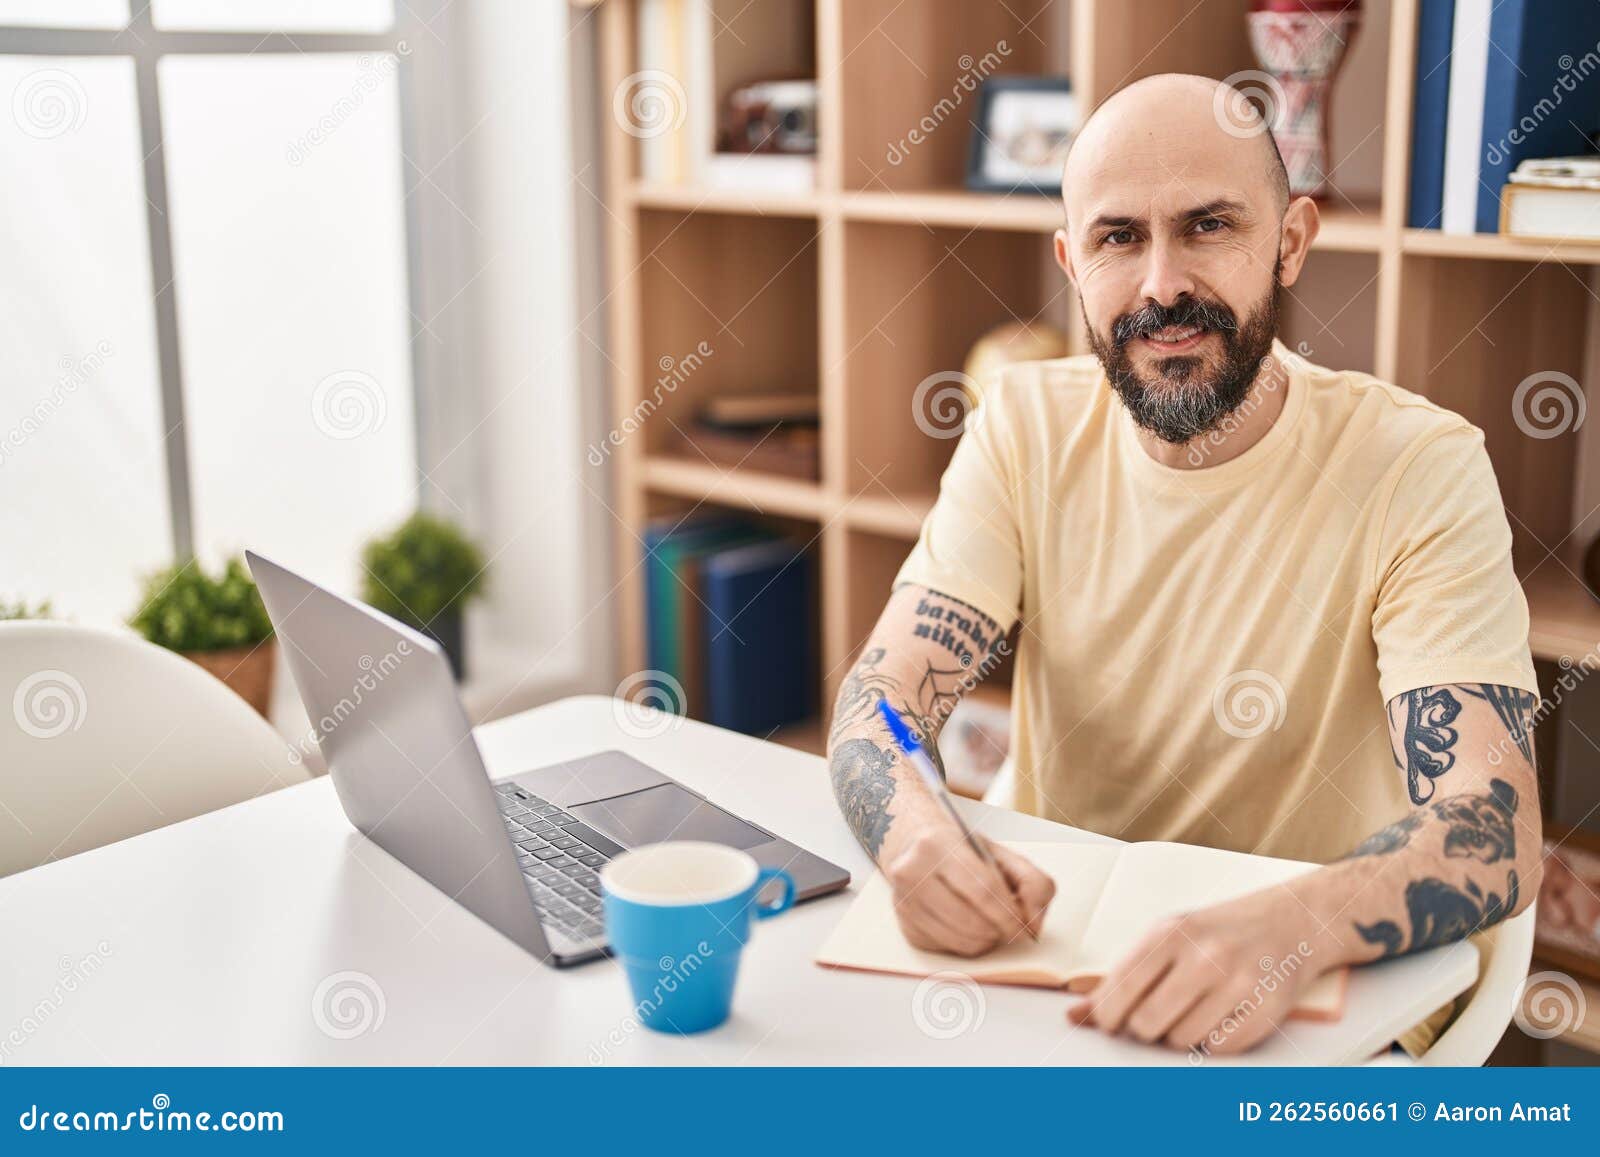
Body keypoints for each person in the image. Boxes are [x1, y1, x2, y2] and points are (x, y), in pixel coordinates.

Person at [826, 73, 1542, 1057]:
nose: (1162, 285)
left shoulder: (1420, 465)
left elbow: (1491, 826)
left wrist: (1286, 928)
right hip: (1050, 973)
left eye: (1208, 225)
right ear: (1072, 262)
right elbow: (881, 696)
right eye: (1119, 237)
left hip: (1314, 1006)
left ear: (1289, 241)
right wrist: (916, 833)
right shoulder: (1021, 424)